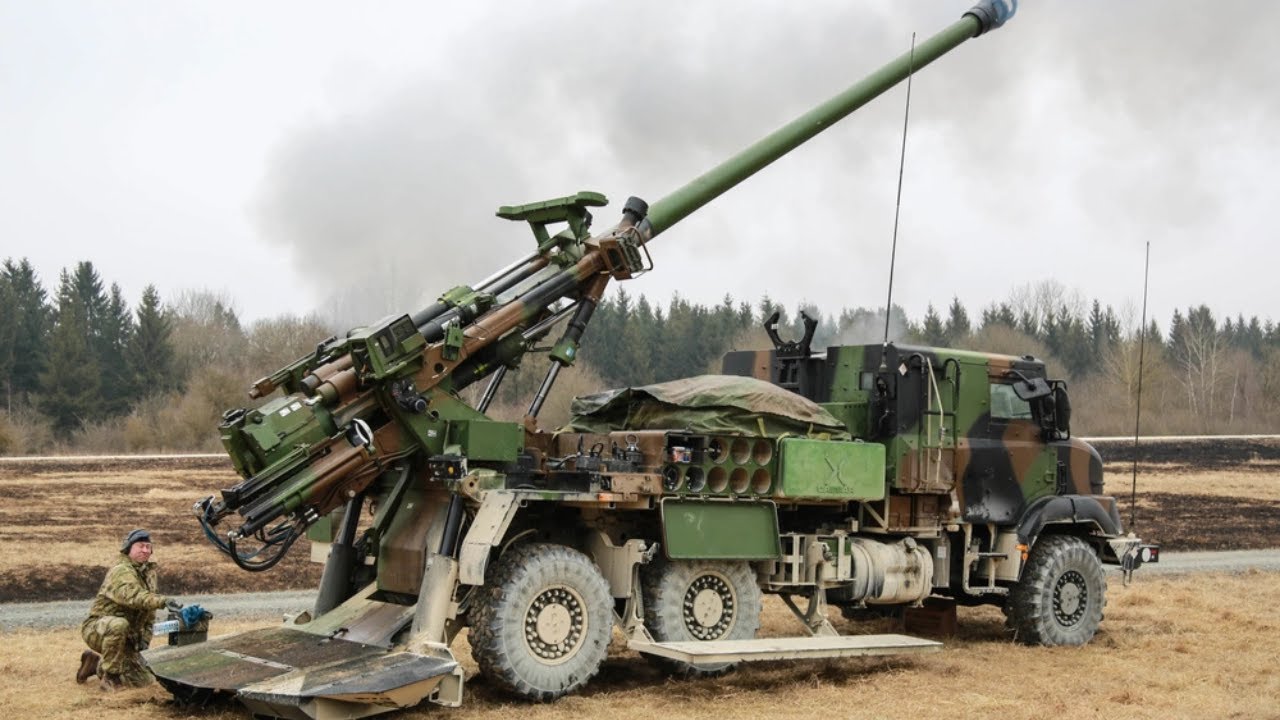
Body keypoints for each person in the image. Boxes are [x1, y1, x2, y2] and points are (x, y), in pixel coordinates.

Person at [76, 529, 182, 690]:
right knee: (119, 624)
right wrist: (163, 601)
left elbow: (149, 612)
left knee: (144, 681)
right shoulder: (121, 571)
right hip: (99, 629)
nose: (145, 550)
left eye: (148, 547)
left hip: (127, 636)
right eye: (140, 546)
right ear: (128, 548)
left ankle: (95, 664)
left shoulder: (148, 574)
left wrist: (144, 642)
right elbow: (134, 597)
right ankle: (110, 678)